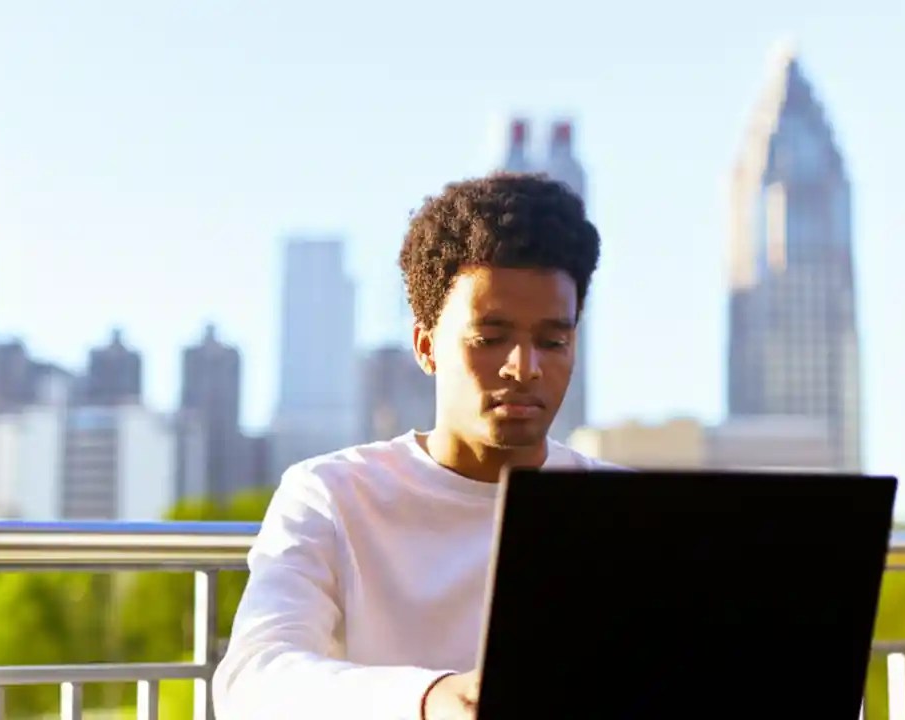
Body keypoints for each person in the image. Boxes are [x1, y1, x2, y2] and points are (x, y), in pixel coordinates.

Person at [212, 173, 613, 720]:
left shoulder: (623, 506)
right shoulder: (331, 495)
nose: (525, 367)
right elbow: (253, 679)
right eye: (490, 339)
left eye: (553, 341)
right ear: (426, 346)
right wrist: (429, 699)